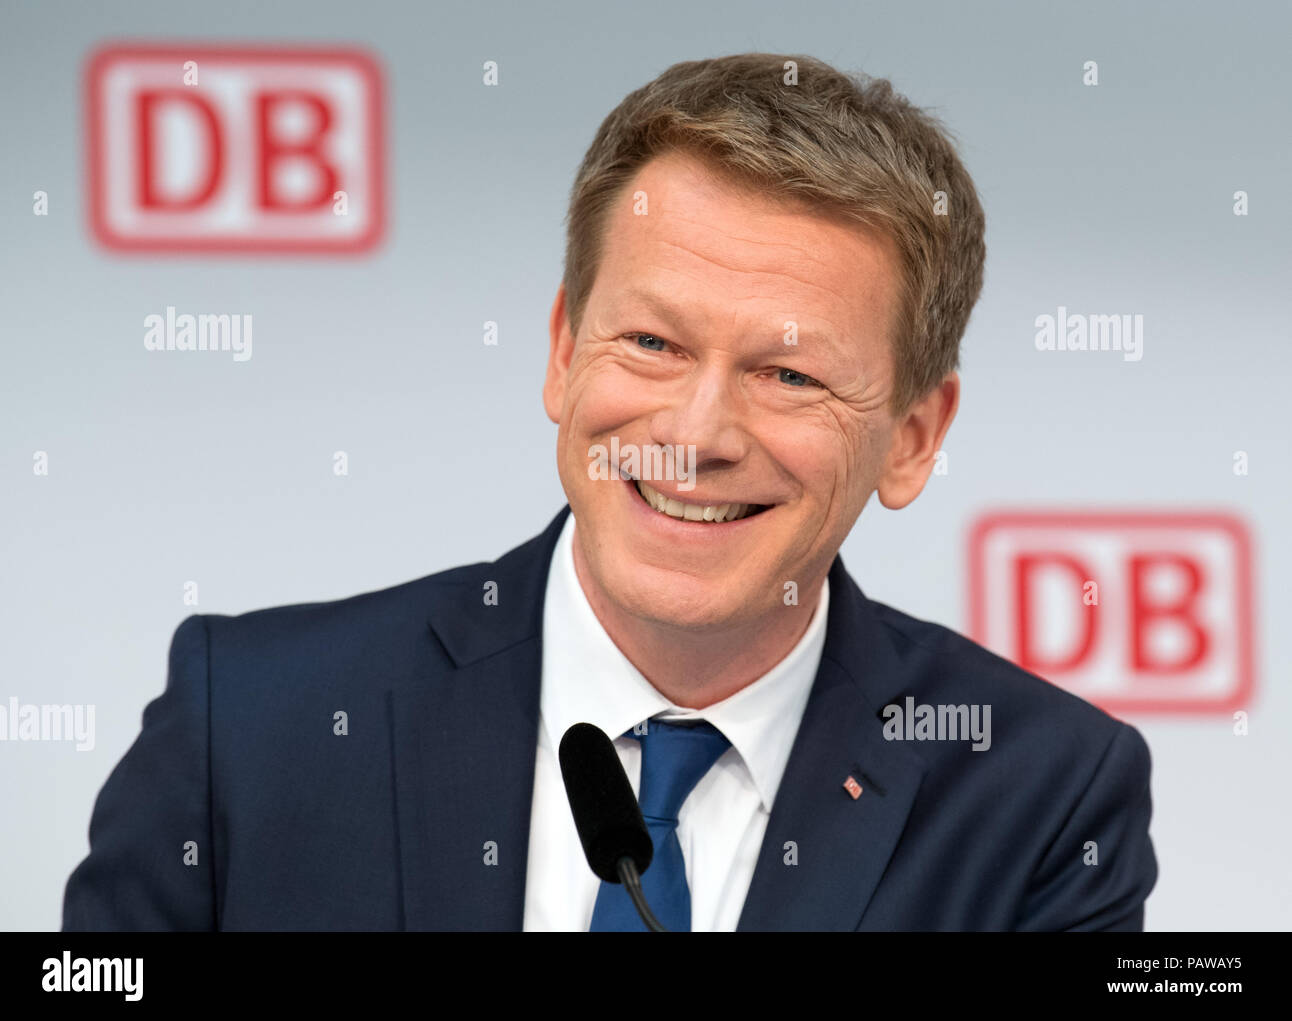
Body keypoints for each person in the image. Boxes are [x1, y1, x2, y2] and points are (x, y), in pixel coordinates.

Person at [62, 53, 1157, 931]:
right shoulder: (250, 725)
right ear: (561, 350)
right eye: (650, 341)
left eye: (787, 374)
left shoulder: (1041, 792)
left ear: (913, 438)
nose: (694, 434)